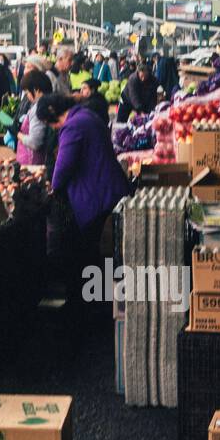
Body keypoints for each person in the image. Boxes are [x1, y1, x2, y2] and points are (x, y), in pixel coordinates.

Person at [38, 92, 129, 324]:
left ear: (53, 114)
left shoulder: (73, 126)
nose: (55, 128)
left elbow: (64, 165)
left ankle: (90, 311)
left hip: (97, 194)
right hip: (109, 189)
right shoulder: (87, 116)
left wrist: (53, 187)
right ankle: (96, 305)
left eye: (52, 124)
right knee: (97, 253)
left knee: (86, 253)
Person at [16, 68, 52, 166]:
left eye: (27, 92)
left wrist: (17, 134)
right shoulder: (46, 103)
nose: (27, 96)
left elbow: (35, 142)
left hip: (32, 163)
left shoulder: (38, 109)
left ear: (36, 90)